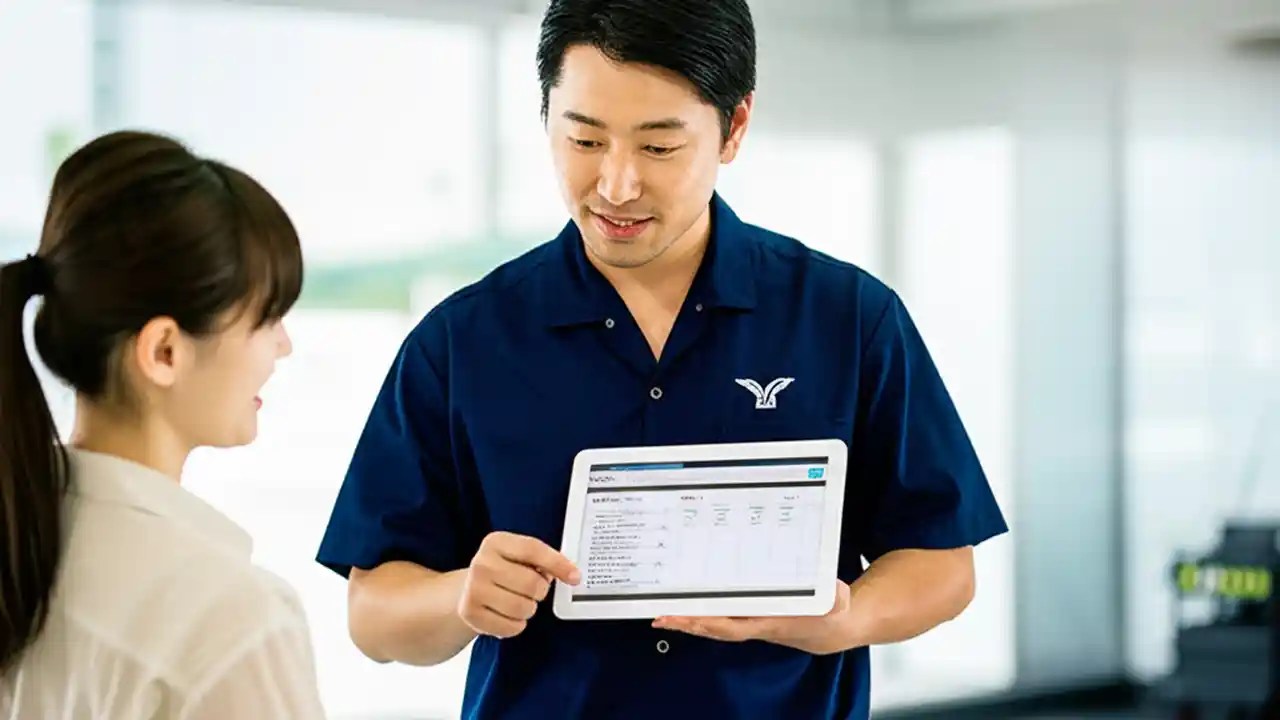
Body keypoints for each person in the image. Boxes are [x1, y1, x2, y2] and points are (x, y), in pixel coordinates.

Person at [316, 0, 1008, 717]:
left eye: (658, 147)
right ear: (546, 116)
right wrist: (460, 596)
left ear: (734, 127)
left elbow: (942, 566)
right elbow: (374, 613)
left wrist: (849, 619)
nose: (616, 186)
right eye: (584, 141)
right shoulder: (460, 342)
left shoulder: (849, 318)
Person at [0, 130, 326, 719]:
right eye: (266, 318)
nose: (283, 346)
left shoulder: (19, 542)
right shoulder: (230, 621)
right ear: (164, 353)